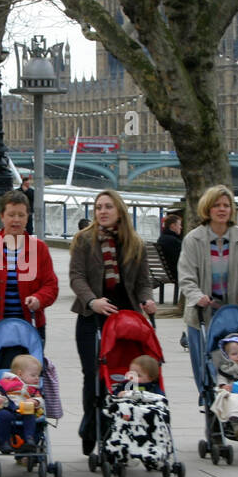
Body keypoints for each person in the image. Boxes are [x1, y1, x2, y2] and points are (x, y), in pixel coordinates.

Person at [69, 189, 156, 456]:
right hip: (92, 317)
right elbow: (76, 277)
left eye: (108, 207)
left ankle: (123, 425)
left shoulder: (135, 243)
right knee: (93, 375)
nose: (102, 212)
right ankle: (91, 427)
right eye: (98, 207)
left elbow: (143, 282)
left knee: (123, 374)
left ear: (119, 211)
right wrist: (92, 301)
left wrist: (147, 300)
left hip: (126, 320)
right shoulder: (84, 240)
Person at [0, 190, 59, 340]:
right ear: (2, 216)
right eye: (11, 215)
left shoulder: (40, 249)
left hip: (30, 327)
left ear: (28, 217)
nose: (16, 220)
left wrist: (39, 298)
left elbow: (51, 286)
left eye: (21, 215)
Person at [177, 185, 238, 355]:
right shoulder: (193, 239)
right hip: (204, 313)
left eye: (226, 205)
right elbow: (186, 276)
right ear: (207, 209)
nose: (222, 209)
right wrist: (196, 296)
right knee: (205, 367)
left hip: (236, 312)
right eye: (216, 205)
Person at [0, 353, 44, 455]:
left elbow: (40, 399)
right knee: (4, 416)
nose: (37, 378)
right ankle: (4, 442)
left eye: (38, 375)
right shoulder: (6, 382)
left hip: (25, 410)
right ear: (20, 374)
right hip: (7, 408)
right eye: (33, 375)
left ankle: (29, 439)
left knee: (30, 415)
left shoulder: (33, 388)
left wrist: (35, 401)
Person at [156, 212, 183, 280]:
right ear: (173, 226)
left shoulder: (161, 238)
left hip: (163, 273)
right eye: (179, 225)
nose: (181, 227)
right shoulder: (174, 241)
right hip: (174, 273)